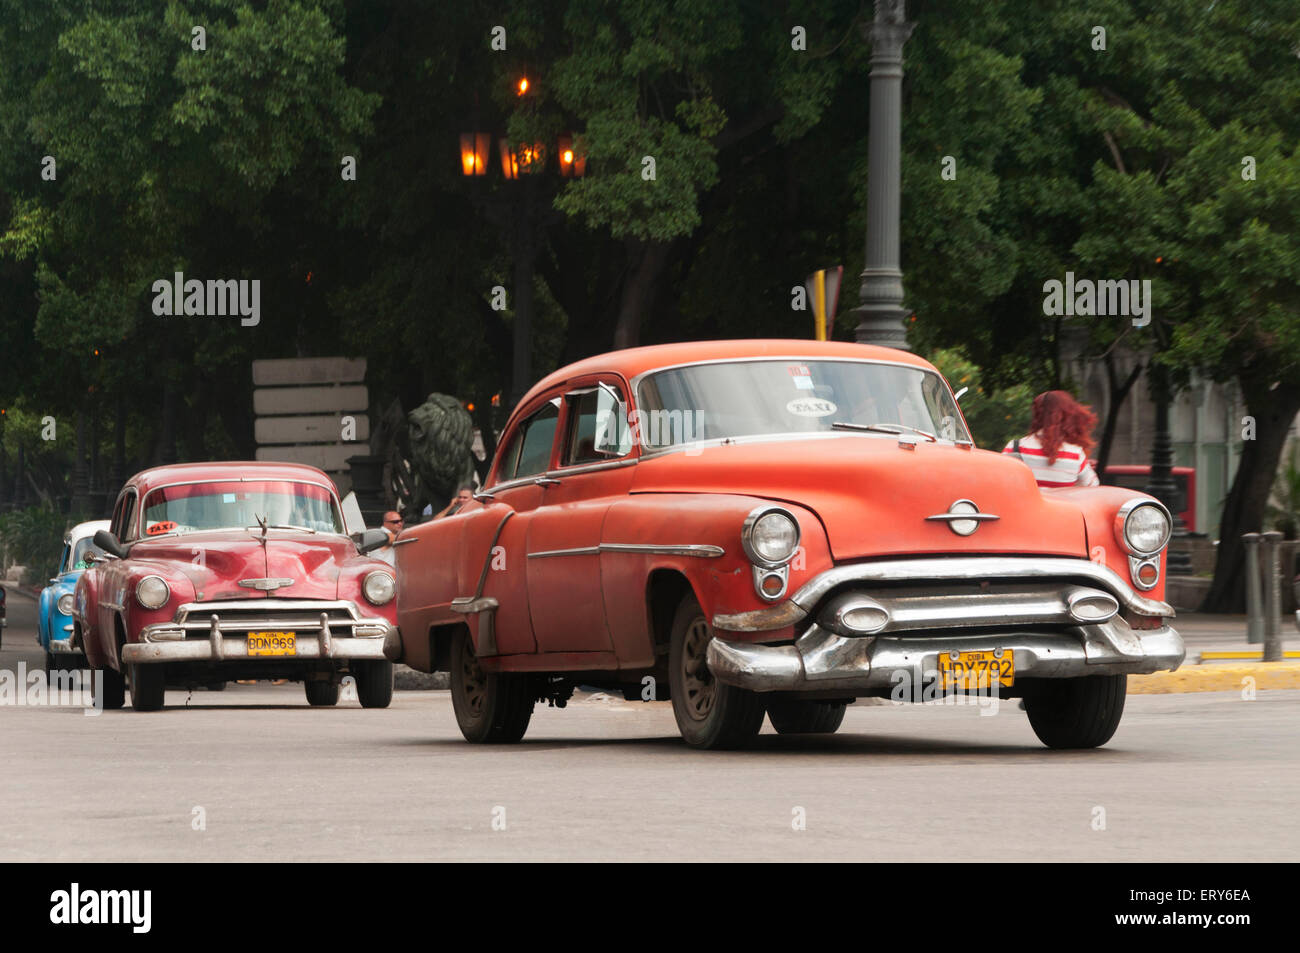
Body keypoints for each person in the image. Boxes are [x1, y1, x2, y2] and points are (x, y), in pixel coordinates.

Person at [1004, 390, 1100, 488]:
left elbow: (999, 479)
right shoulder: (1075, 454)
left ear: (1036, 414)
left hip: (1024, 503)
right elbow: (1092, 486)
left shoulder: (1015, 447)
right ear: (1067, 416)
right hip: (1062, 503)